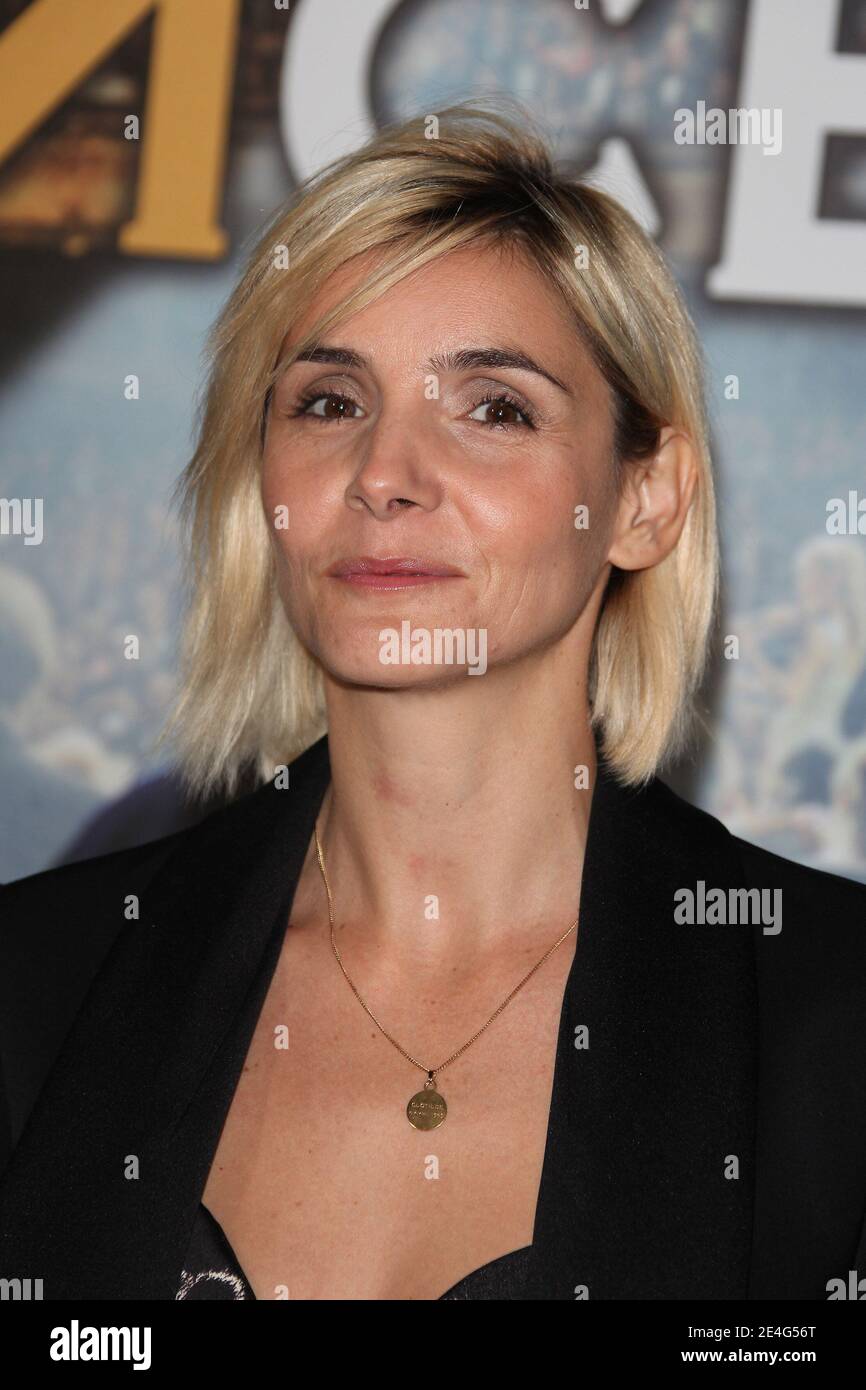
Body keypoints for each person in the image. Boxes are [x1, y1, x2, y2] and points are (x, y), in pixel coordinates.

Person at [1, 100, 865, 1302]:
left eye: (493, 407)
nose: (383, 477)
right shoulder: (37, 982)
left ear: (643, 497)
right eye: (328, 402)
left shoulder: (829, 1022)